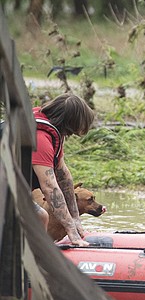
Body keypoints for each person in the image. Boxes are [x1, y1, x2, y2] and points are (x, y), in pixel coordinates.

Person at [31, 93, 95, 246]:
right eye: (71, 132)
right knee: (41, 216)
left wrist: (75, 220)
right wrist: (72, 233)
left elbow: (64, 177)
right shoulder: (40, 138)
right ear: (67, 124)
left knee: (40, 216)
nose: (68, 136)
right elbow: (50, 187)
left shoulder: (51, 133)